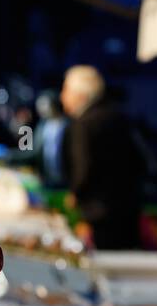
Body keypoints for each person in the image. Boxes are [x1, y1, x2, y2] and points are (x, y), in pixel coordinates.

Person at [60, 65, 146, 250]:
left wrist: (75, 193)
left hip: (98, 211)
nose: (62, 97)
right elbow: (141, 160)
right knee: (124, 265)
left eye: (66, 90)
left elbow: (83, 167)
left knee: (103, 265)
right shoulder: (119, 115)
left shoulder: (83, 124)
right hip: (128, 208)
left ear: (81, 95)